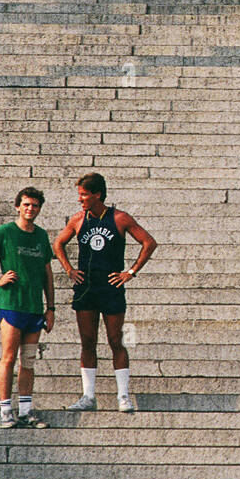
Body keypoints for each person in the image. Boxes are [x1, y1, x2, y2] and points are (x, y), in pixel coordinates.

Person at [53, 172, 157, 413]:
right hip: (86, 287)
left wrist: (130, 272)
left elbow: (149, 242)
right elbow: (58, 244)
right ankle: (88, 396)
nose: (80, 199)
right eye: (79, 195)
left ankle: (123, 395)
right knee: (87, 341)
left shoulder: (119, 218)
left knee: (115, 340)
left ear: (97, 194)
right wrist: (69, 269)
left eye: (84, 195)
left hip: (111, 286)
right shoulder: (78, 219)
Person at [0, 187, 55, 429]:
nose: (30, 209)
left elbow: (47, 272)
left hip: (35, 308)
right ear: (18, 206)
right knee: (8, 357)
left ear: (39, 209)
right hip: (11, 305)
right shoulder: (6, 232)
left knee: (28, 361)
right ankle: (6, 410)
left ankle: (25, 411)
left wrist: (51, 307)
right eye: (26, 204)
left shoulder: (41, 236)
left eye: (35, 205)